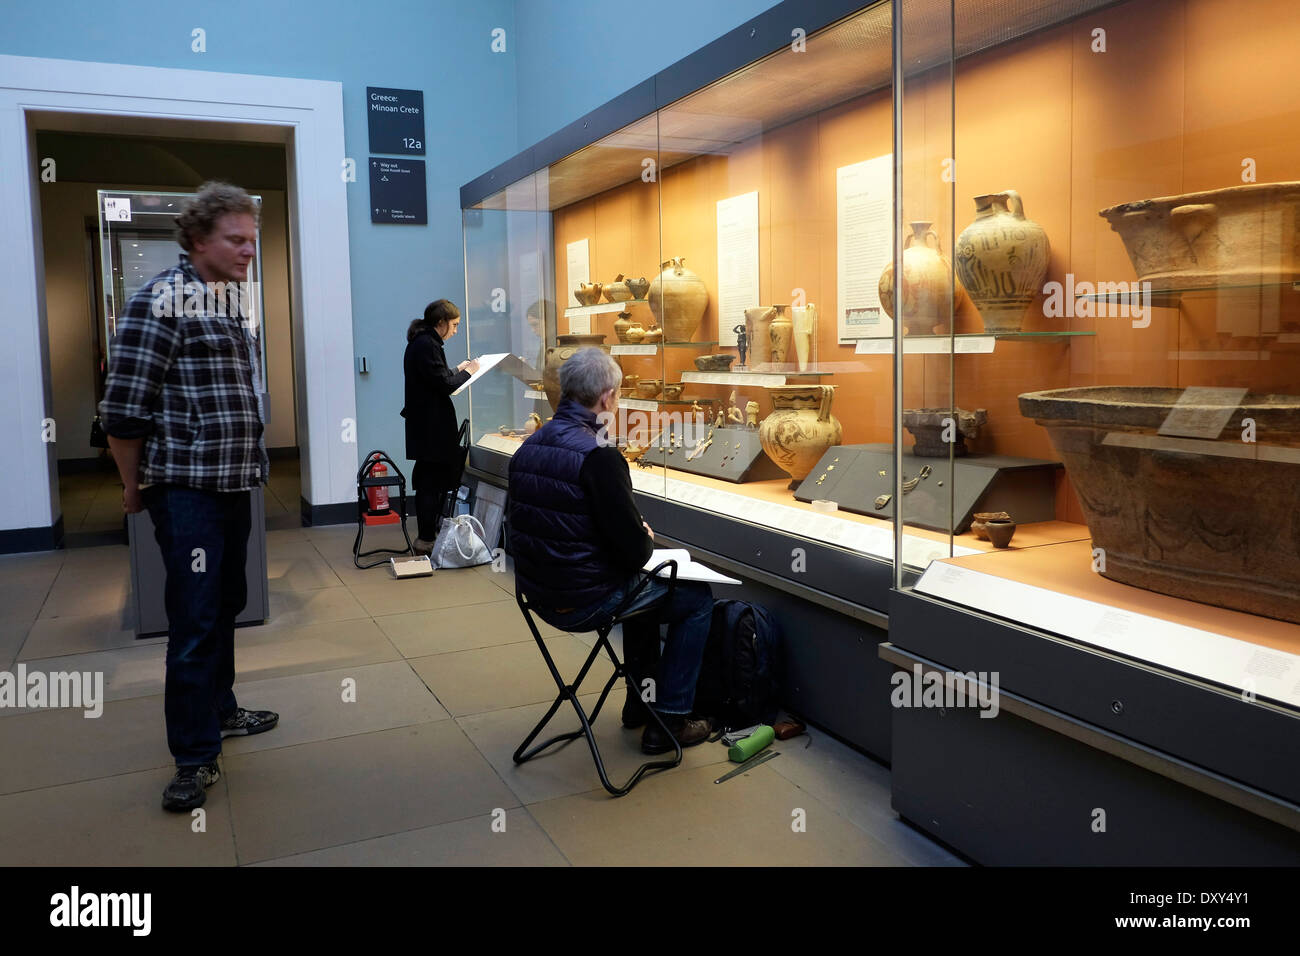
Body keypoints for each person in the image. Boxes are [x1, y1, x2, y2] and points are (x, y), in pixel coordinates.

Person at [99, 181, 279, 813]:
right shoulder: (160, 303)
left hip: (231, 488)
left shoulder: (223, 302)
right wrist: (132, 487)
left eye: (252, 241)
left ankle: (221, 711)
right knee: (196, 622)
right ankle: (193, 757)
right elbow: (122, 412)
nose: (247, 251)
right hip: (189, 494)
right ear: (197, 239)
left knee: (225, 604)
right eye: (235, 240)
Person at [508, 348, 714, 754]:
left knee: (642, 591)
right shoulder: (599, 456)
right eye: (618, 395)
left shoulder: (530, 445)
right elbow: (635, 553)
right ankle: (669, 719)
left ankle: (640, 703)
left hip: (539, 594)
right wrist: (645, 535)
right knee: (695, 598)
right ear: (607, 398)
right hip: (584, 600)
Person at [402, 300, 479, 553]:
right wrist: (470, 372)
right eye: (454, 325)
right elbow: (445, 385)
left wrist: (457, 369)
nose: (456, 330)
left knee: (429, 481)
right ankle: (426, 539)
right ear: (441, 322)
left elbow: (437, 377)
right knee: (430, 483)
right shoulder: (426, 344)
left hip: (426, 426)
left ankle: (428, 537)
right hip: (431, 428)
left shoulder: (424, 342)